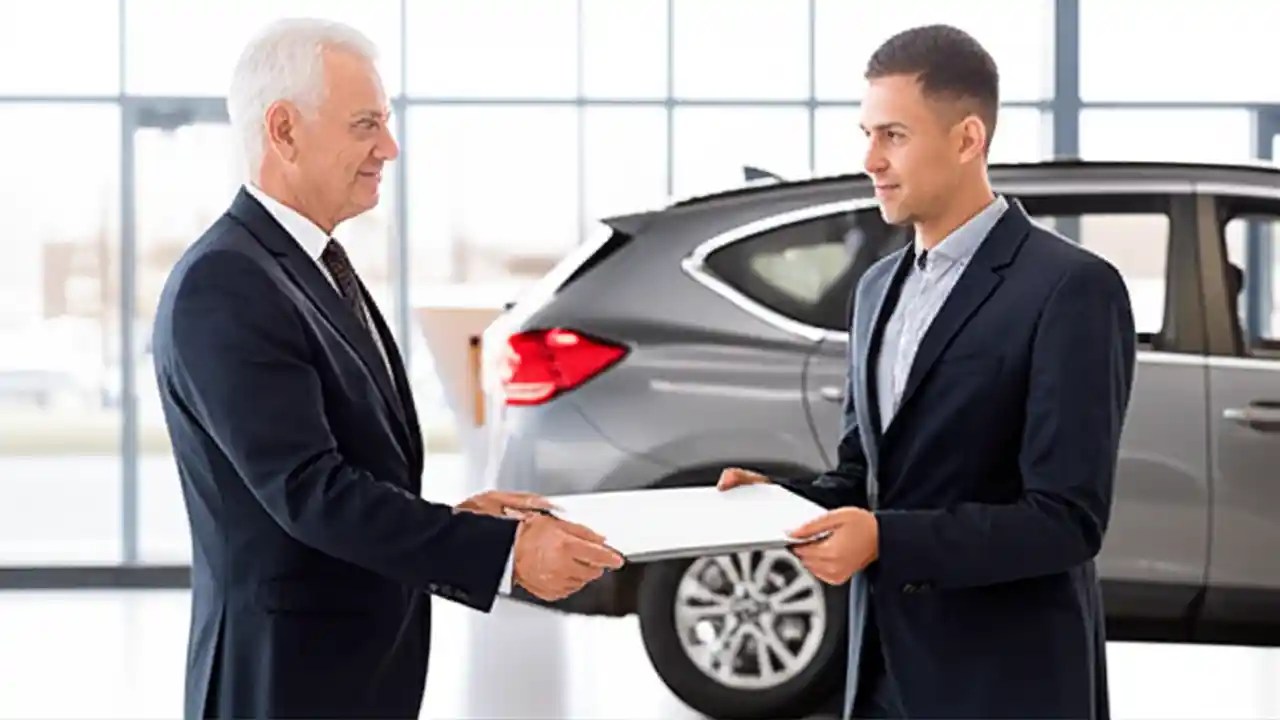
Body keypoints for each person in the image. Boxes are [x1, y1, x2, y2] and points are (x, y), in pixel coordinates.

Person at [151, 18, 623, 720]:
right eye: (366, 125)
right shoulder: (226, 283)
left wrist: (451, 518)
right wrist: (500, 553)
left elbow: (346, 470)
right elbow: (311, 491)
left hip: (348, 674)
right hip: (282, 684)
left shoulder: (308, 266)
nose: (389, 148)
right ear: (283, 130)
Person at [719, 24, 1135, 720]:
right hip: (880, 673)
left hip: (1006, 684)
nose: (870, 159)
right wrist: (783, 502)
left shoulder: (1071, 288)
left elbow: (1066, 519)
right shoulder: (877, 288)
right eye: (866, 133)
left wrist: (886, 540)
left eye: (894, 135)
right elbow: (865, 477)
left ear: (968, 139)